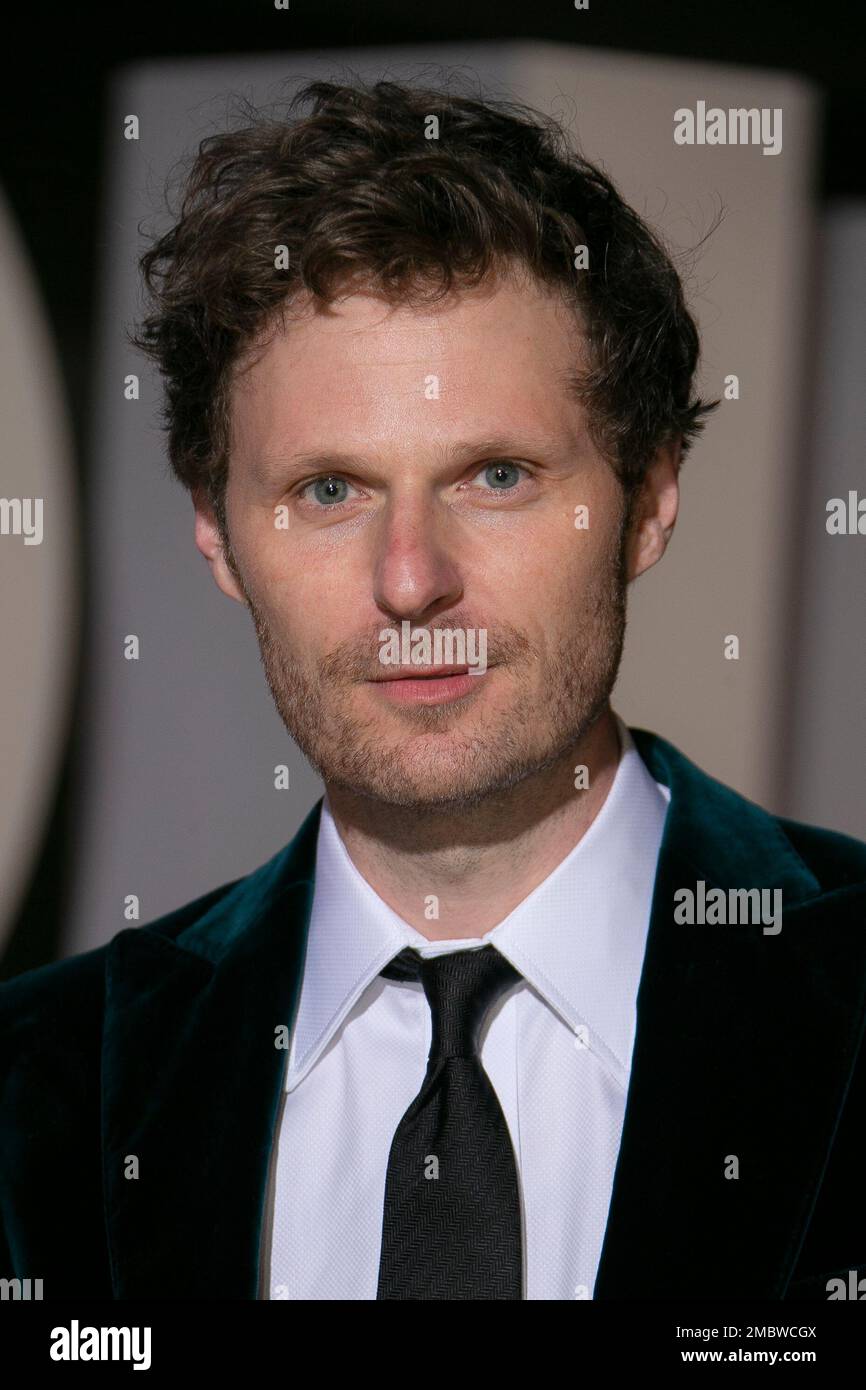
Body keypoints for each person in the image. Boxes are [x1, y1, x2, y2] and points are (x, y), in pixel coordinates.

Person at [2, 78, 865, 1302]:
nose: (408, 581)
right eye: (329, 490)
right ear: (216, 535)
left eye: (495, 475)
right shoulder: (37, 1082)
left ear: (649, 498)